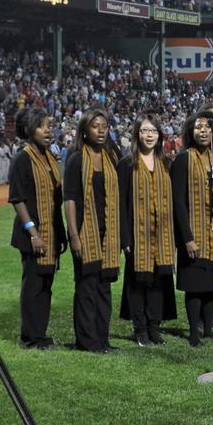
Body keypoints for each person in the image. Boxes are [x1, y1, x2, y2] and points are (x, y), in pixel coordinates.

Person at [64, 107, 120, 353]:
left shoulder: (111, 156)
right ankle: (87, 342)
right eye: (95, 126)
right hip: (85, 232)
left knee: (104, 288)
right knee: (87, 288)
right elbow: (70, 199)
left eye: (104, 126)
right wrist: (74, 235)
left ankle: (103, 339)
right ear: (85, 131)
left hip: (108, 233)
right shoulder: (77, 158)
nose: (101, 130)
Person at [8, 107, 65, 350]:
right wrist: (33, 233)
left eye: (49, 125)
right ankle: (29, 337)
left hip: (50, 232)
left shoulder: (49, 156)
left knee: (45, 286)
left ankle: (40, 334)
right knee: (33, 287)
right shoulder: (23, 158)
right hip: (32, 234)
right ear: (30, 130)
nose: (48, 130)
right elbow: (17, 199)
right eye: (42, 126)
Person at [117, 114, 176, 347]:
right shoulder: (126, 164)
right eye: (144, 131)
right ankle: (140, 328)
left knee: (158, 282)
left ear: (159, 135)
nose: (149, 135)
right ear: (136, 134)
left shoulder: (166, 163)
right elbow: (120, 204)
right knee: (138, 282)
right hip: (136, 234)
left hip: (162, 234)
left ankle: (154, 326)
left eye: (153, 131)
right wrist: (124, 237)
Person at [173, 111, 213, 347]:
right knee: (195, 286)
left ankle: (208, 328)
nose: (203, 131)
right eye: (198, 127)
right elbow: (178, 201)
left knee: (211, 285)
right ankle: (194, 334)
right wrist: (187, 237)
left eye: (208, 127)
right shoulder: (183, 159)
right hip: (194, 233)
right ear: (191, 132)